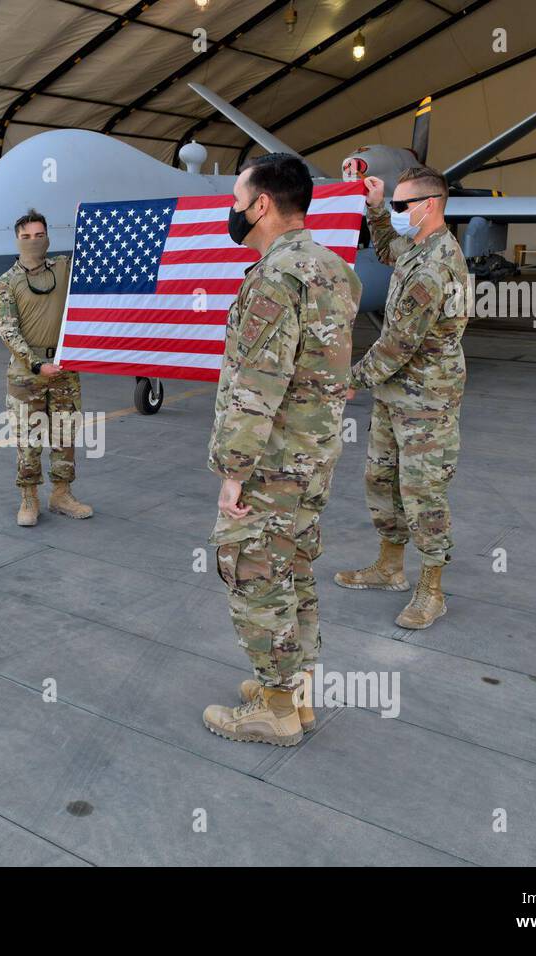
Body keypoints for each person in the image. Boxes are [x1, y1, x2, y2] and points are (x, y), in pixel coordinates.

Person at [201, 155, 361, 747]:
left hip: (273, 462)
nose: (233, 211)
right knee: (293, 569)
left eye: (237, 199)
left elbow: (257, 385)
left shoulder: (275, 277)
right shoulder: (334, 269)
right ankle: (294, 691)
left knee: (254, 572)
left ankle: (274, 708)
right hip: (314, 456)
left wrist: (233, 473)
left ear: (260, 204)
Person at [336, 166, 469, 630]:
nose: (397, 213)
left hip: (426, 402)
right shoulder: (418, 247)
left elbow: (397, 345)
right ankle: (390, 566)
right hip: (397, 396)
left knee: (422, 494)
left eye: (401, 205)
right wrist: (375, 209)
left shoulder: (435, 265)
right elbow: (388, 249)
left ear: (428, 205)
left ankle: (431, 590)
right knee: (381, 481)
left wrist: (351, 378)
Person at [0, 209, 93, 526]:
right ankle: (29, 498)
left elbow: (95, 262)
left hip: (64, 366)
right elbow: (8, 331)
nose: (33, 241)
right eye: (26, 236)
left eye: (39, 235)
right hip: (27, 372)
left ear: (48, 236)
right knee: (28, 439)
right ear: (16, 239)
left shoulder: (64, 268)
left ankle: (61, 494)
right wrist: (37, 364)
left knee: (65, 436)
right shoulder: (7, 283)